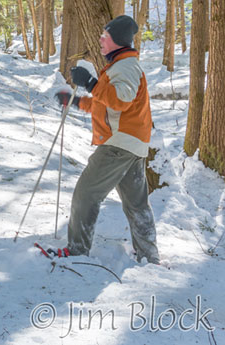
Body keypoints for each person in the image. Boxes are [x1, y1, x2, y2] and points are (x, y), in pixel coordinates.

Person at [54, 14, 159, 264]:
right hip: (132, 142)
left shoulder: (126, 67)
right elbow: (108, 103)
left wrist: (90, 83)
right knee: (136, 204)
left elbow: (120, 101)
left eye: (106, 36)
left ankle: (77, 250)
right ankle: (149, 255)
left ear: (118, 41)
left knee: (86, 193)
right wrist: (78, 102)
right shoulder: (121, 66)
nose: (101, 40)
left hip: (119, 144)